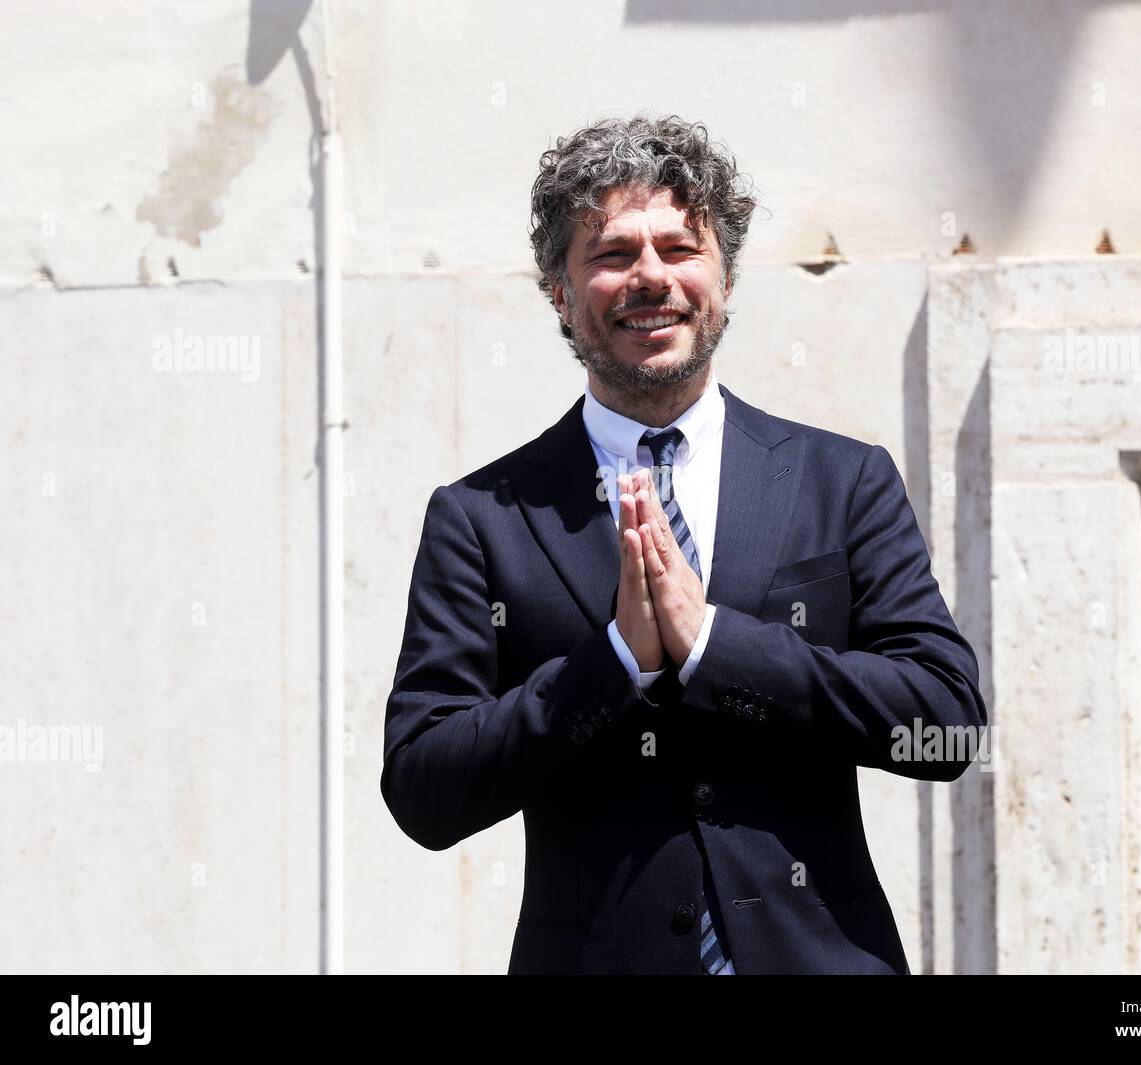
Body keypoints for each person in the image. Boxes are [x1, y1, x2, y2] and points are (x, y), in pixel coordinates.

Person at [380, 114, 987, 974]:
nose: (650, 278)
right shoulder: (482, 514)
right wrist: (616, 662)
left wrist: (714, 644)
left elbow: (948, 726)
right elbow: (423, 788)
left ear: (726, 277)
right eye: (613, 253)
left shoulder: (840, 479)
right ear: (560, 290)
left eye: (679, 248)